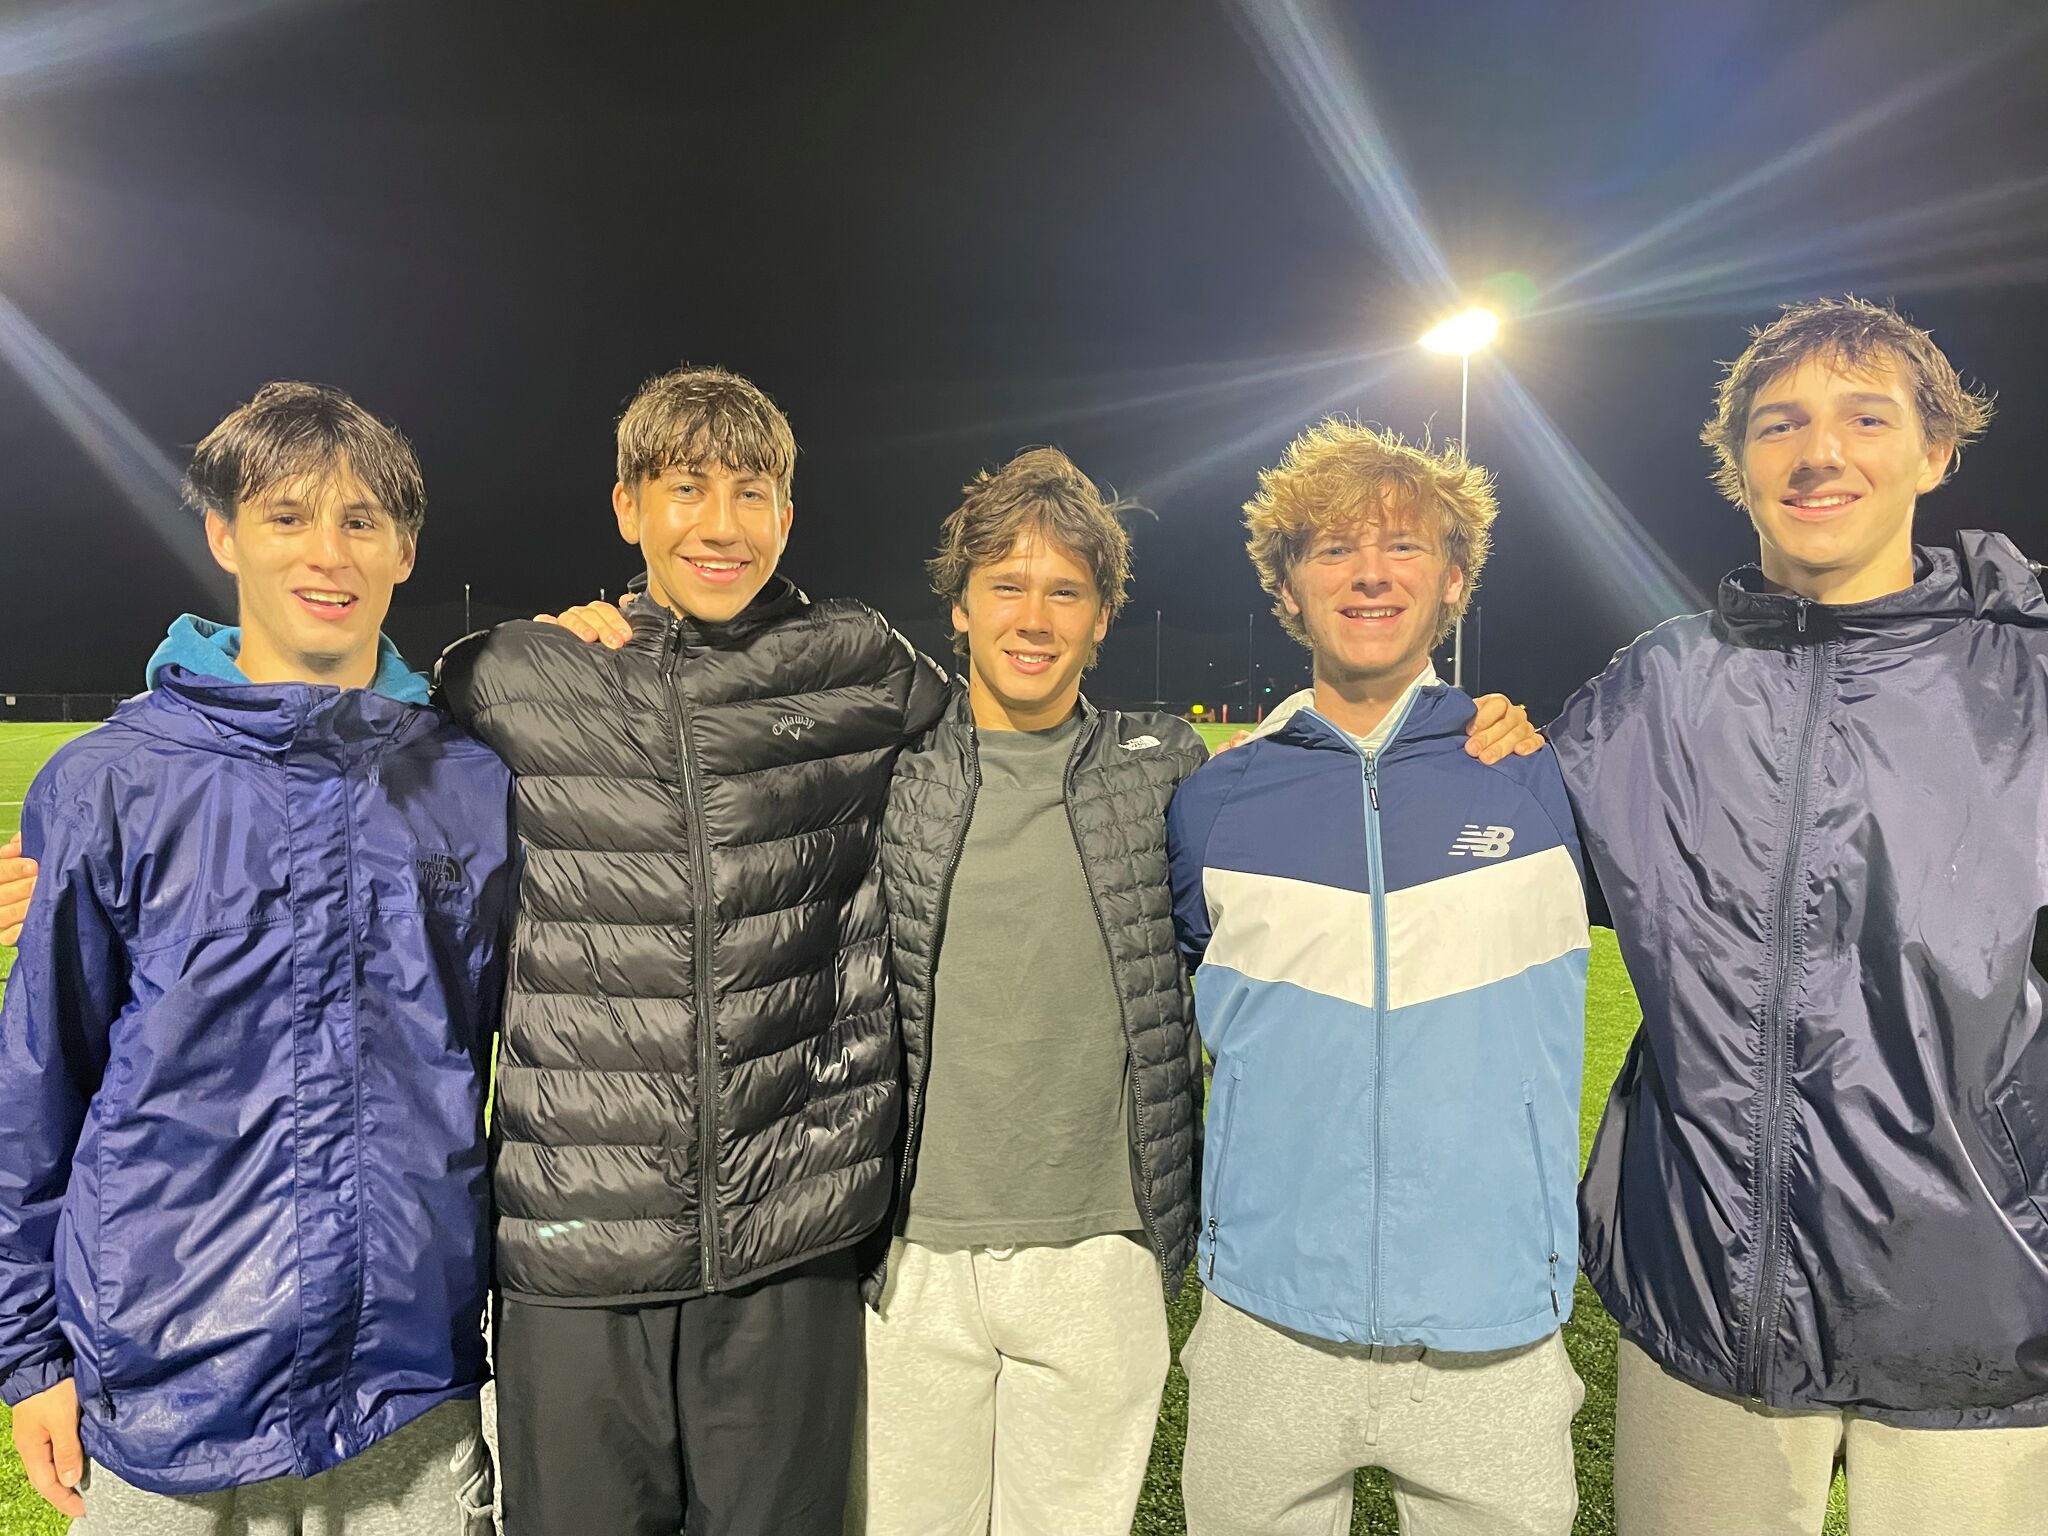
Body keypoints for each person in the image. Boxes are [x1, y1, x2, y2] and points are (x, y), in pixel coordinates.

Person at [1552, 296, 2048, 1535]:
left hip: (1979, 1321)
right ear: (1739, 465)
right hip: (1706, 1308)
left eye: (1863, 418)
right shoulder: (1652, 690)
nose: (1818, 452)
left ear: (1934, 452)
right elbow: (1496, 863)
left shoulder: (2028, 683)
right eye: (1779, 424)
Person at [432, 365, 951, 1536]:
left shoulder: (855, 660)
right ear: (628, 507)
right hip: (574, 1252)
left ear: (786, 515)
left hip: (790, 1237)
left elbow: (1012, 748)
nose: (721, 525)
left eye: (750, 493)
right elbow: (334, 751)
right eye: (685, 488)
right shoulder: (514, 676)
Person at [0, 382, 509, 1533]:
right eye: (287, 516)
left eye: (361, 520)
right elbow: (39, 1079)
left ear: (405, 551)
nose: (326, 552)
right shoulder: (109, 782)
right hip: (161, 1381)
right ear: (224, 535)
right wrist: (29, 1352)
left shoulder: (473, 786)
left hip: (410, 1381)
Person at [1167, 420, 1590, 1536]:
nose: (1369, 573)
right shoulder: (1212, 805)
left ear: (1453, 581)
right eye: (1333, 549)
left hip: (1492, 1330)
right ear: (1287, 587)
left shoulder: (1544, 778)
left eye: (1403, 546)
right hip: (1266, 1325)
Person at [850, 448, 1205, 1535]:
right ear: (959, 607)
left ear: (1102, 619)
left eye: (1066, 591)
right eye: (1005, 584)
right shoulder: (886, 770)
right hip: (910, 1256)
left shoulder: (1167, 770)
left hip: (1099, 1253)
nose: (1034, 617)